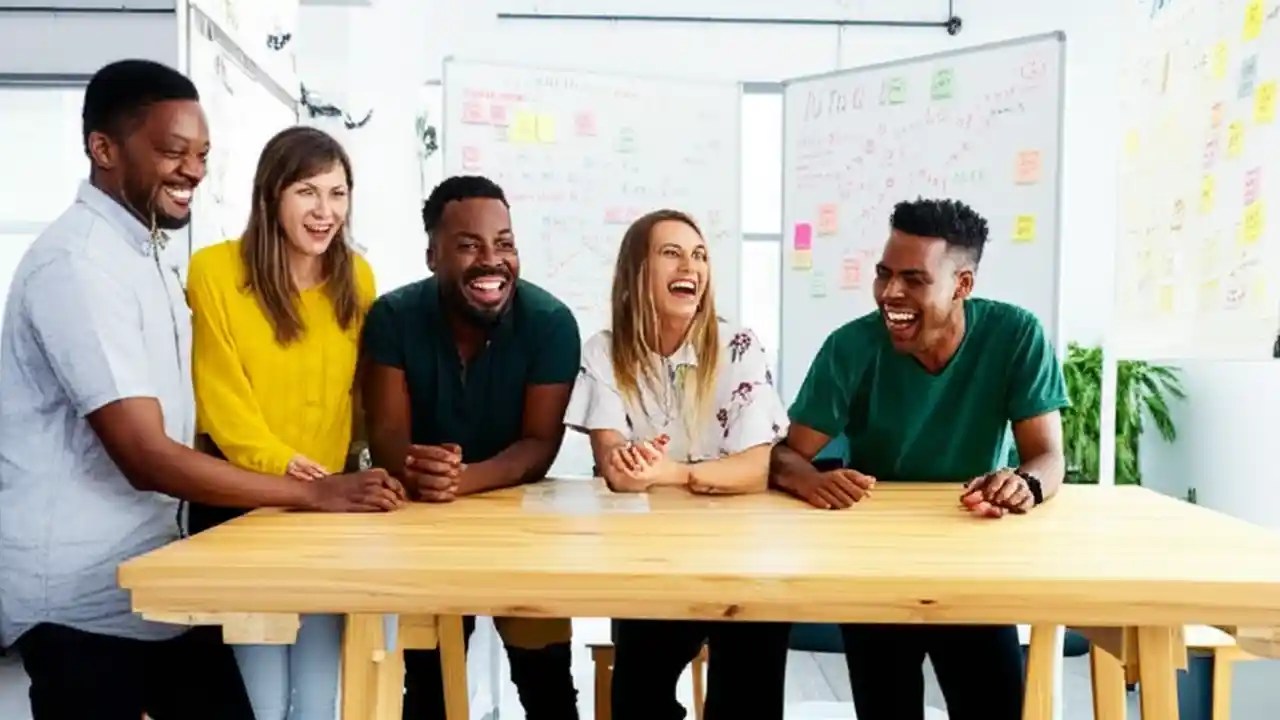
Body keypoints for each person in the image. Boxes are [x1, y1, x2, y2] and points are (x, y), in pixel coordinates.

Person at [0, 59, 404, 720]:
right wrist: (309, 489)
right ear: (104, 149)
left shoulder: (146, 254)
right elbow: (145, 456)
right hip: (78, 606)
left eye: (202, 153)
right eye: (172, 151)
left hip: (153, 584)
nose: (193, 169)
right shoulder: (79, 266)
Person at [769, 198, 1069, 720]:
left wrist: (1026, 483)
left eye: (913, 279)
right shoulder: (850, 347)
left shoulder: (1016, 334)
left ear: (962, 285)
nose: (890, 293)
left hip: (973, 557)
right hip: (875, 561)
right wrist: (810, 480)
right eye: (884, 274)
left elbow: (1047, 456)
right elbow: (784, 455)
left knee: (995, 707)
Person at [360, 175, 581, 720]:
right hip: (425, 526)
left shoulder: (551, 323)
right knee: (429, 688)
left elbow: (540, 444)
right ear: (433, 254)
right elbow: (386, 433)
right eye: (469, 245)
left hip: (523, 529)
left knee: (547, 684)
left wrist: (464, 479)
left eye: (504, 243)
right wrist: (419, 469)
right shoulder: (392, 317)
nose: (492, 260)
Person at [564, 209, 792, 720]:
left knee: (748, 689)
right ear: (636, 271)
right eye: (671, 253)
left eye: (700, 255)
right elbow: (612, 462)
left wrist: (671, 473)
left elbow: (754, 470)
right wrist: (628, 465)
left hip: (739, 555)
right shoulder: (605, 351)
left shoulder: (740, 346)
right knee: (638, 697)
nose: (690, 265)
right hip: (654, 559)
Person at [185, 125, 375, 719]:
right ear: (272, 195)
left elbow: (361, 395)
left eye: (338, 194)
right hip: (247, 502)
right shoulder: (215, 273)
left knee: (317, 698)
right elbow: (219, 396)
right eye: (307, 192)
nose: (325, 212)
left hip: (329, 509)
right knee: (261, 702)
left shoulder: (357, 278)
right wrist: (289, 471)